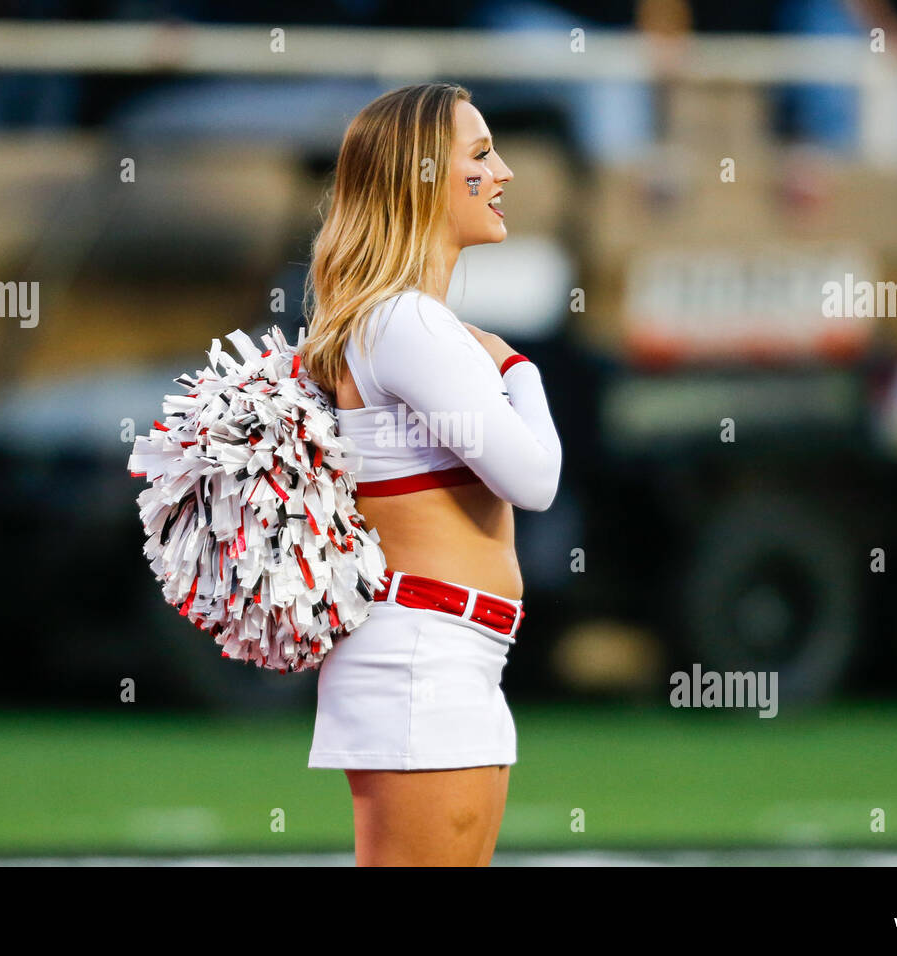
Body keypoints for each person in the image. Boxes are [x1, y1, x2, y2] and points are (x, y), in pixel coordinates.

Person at [299, 82, 562, 866]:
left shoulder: (397, 320)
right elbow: (535, 477)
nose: (504, 173)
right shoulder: (407, 322)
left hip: (451, 654)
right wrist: (518, 367)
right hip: (422, 657)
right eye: (480, 156)